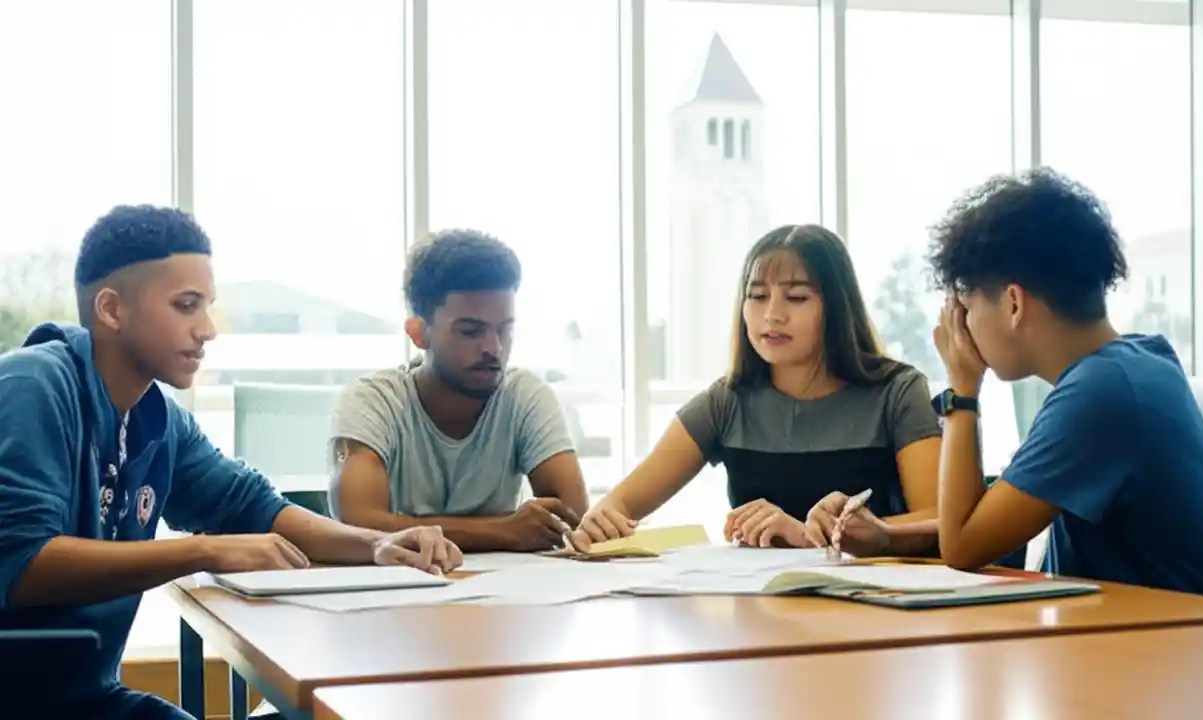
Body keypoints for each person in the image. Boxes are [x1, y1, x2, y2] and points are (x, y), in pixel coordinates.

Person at [0, 205, 462, 718]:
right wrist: (205, 552)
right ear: (111, 310)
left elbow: (249, 504)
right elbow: (21, 565)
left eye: (207, 306)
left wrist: (375, 545)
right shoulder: (33, 386)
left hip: (87, 700)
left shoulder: (159, 420)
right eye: (186, 306)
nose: (207, 330)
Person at [928, 168, 1203, 601]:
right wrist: (887, 538)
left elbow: (962, 546)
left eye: (966, 308)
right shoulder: (1137, 363)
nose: (963, 330)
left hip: (1184, 656)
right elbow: (996, 511)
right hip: (1173, 646)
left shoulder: (1100, 393)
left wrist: (962, 390)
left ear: (1013, 303)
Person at [570, 224, 942, 556]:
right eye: (758, 296)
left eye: (796, 297)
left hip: (874, 604)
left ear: (838, 308)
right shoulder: (727, 401)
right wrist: (603, 518)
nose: (772, 314)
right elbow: (621, 504)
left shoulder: (898, 392)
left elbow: (939, 520)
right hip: (758, 610)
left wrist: (812, 537)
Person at [329, 229, 589, 552]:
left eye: (505, 329)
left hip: (504, 595)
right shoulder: (372, 401)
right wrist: (502, 531)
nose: (493, 348)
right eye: (471, 331)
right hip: (395, 595)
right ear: (418, 333)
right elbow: (356, 522)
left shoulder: (524, 395)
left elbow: (573, 517)